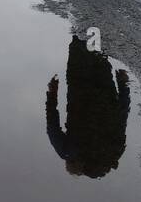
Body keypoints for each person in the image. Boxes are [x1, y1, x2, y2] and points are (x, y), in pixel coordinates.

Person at [44, 36, 130, 178]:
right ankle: (87, 22)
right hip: (79, 88)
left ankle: (95, 22)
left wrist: (123, 86)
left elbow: (121, 118)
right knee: (80, 40)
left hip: (104, 91)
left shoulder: (111, 154)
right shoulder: (67, 152)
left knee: (97, 51)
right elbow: (52, 123)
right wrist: (52, 93)